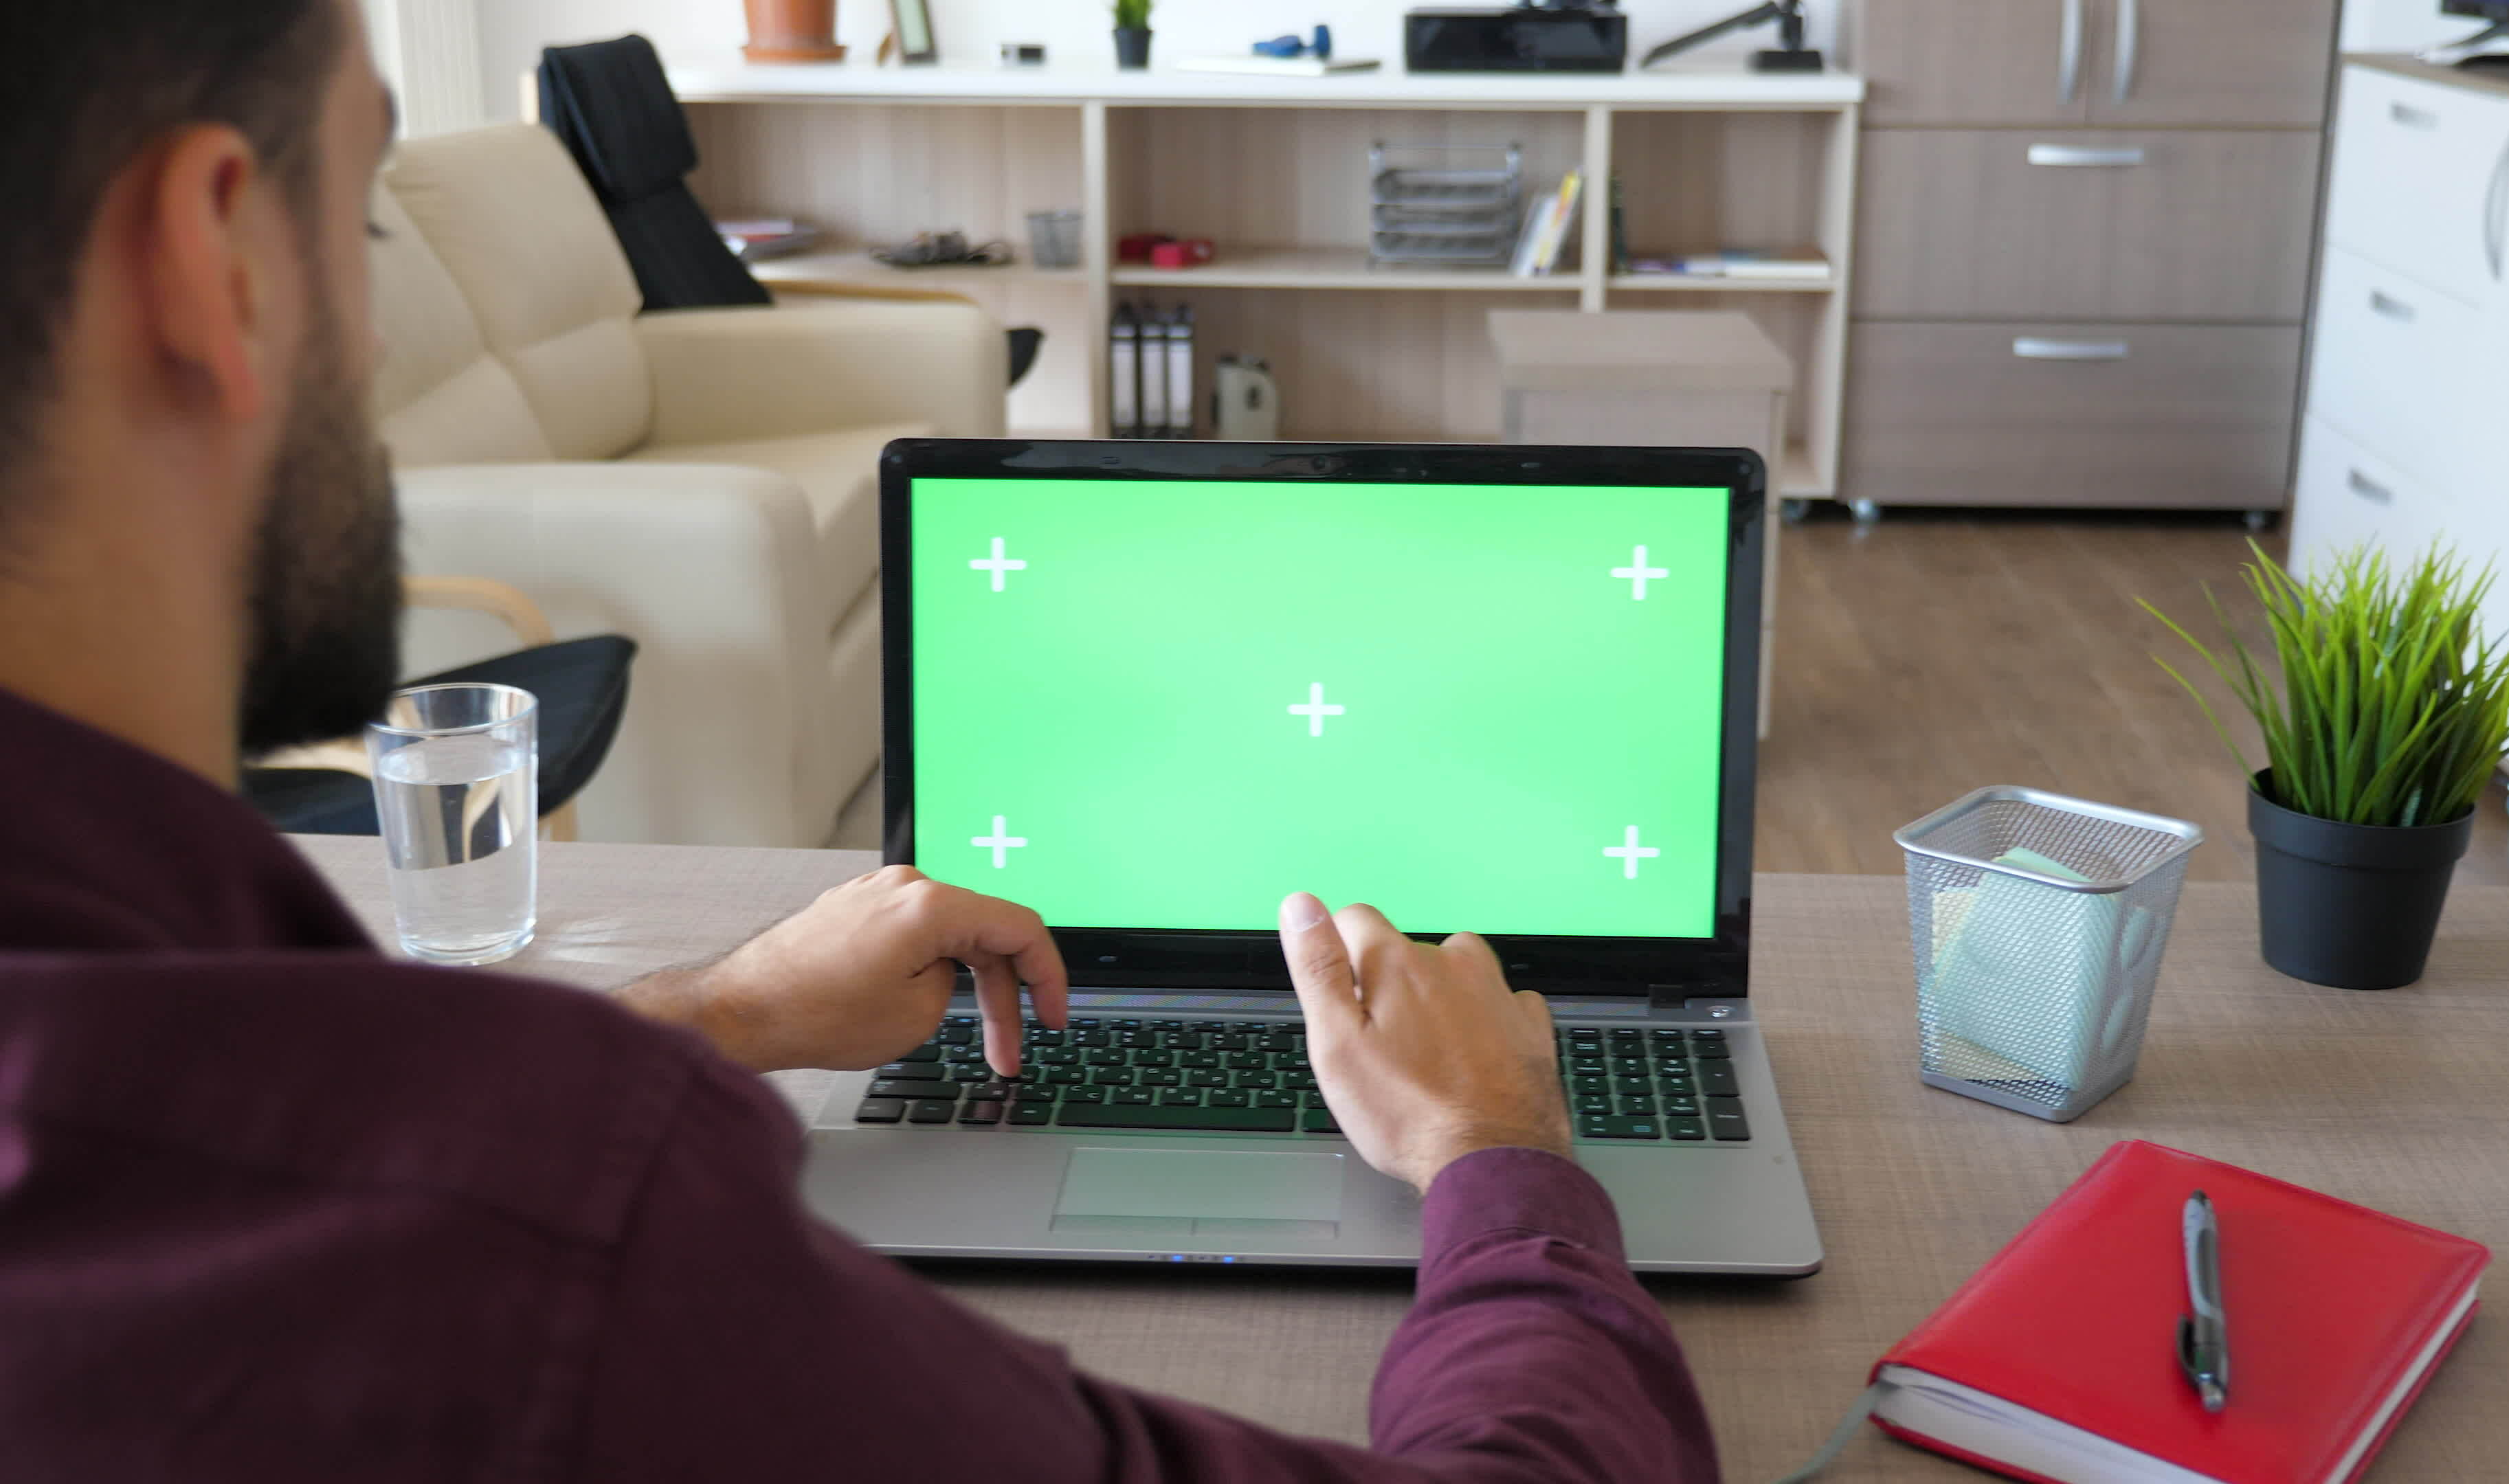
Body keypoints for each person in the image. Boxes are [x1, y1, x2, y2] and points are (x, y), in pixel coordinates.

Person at [0, 3, 1721, 1479]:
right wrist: (1495, 1148)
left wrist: (720, 1013)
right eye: (363, 225)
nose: (373, 339)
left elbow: (298, 1108)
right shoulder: (539, 1251)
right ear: (213, 259)